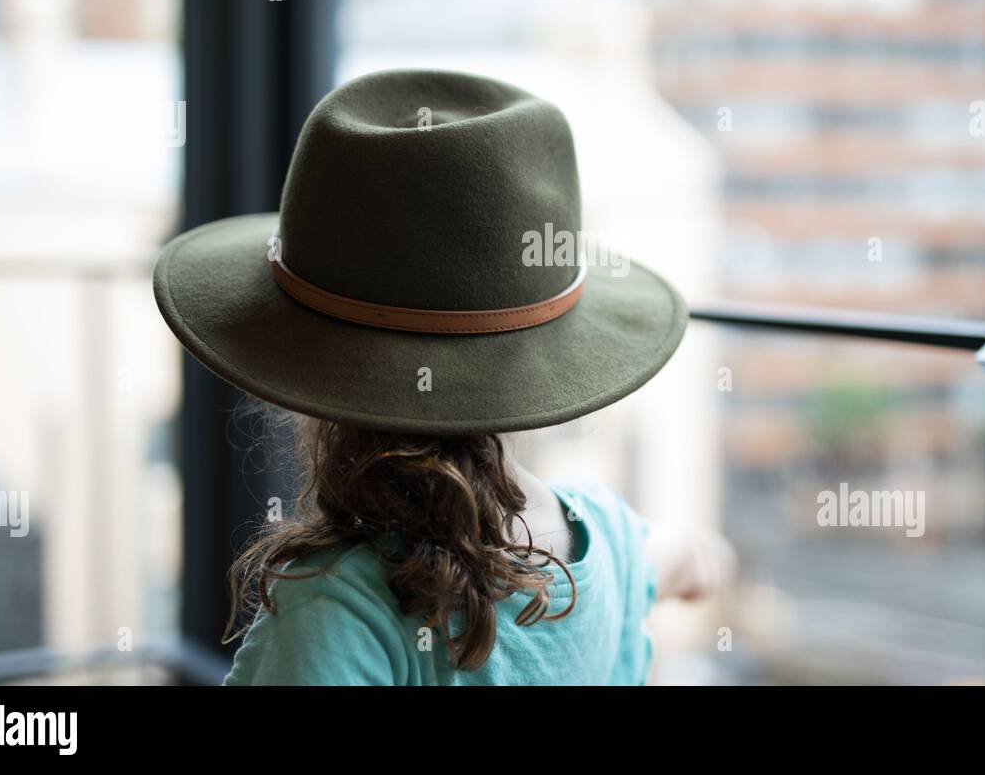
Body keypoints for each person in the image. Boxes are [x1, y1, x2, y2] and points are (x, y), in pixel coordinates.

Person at [153, 69, 735, 684]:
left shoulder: (336, 612)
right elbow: (687, 560)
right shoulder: (605, 541)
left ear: (305, 381)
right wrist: (706, 563)